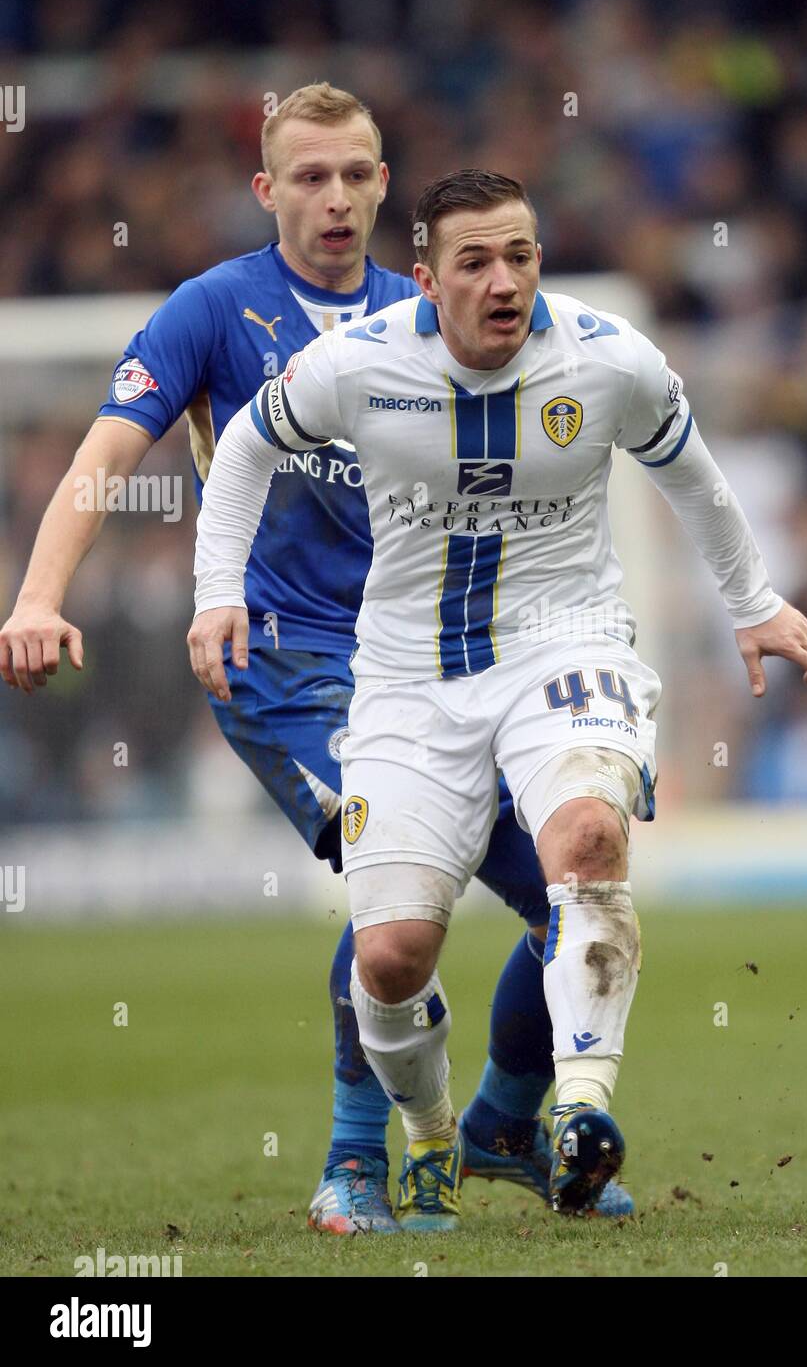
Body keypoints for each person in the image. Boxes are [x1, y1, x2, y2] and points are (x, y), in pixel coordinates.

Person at [0, 86, 630, 1234]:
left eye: (354, 175)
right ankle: (351, 1160)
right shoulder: (211, 311)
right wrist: (38, 596)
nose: (334, 198)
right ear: (266, 190)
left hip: (437, 669)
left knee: (568, 892)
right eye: (308, 178)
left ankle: (498, 1121)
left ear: (386, 186)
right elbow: (101, 457)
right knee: (387, 889)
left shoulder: (427, 312)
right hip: (282, 661)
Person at [188, 168, 807, 1228]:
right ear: (426, 281)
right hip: (404, 678)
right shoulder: (356, 364)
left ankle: (579, 1115)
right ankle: (437, 1135)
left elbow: (692, 476)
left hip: (564, 647)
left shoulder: (608, 359)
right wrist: (219, 595)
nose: (502, 280)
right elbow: (248, 446)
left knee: (584, 841)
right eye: (473, 261)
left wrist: (751, 603)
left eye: (519, 255)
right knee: (391, 955)